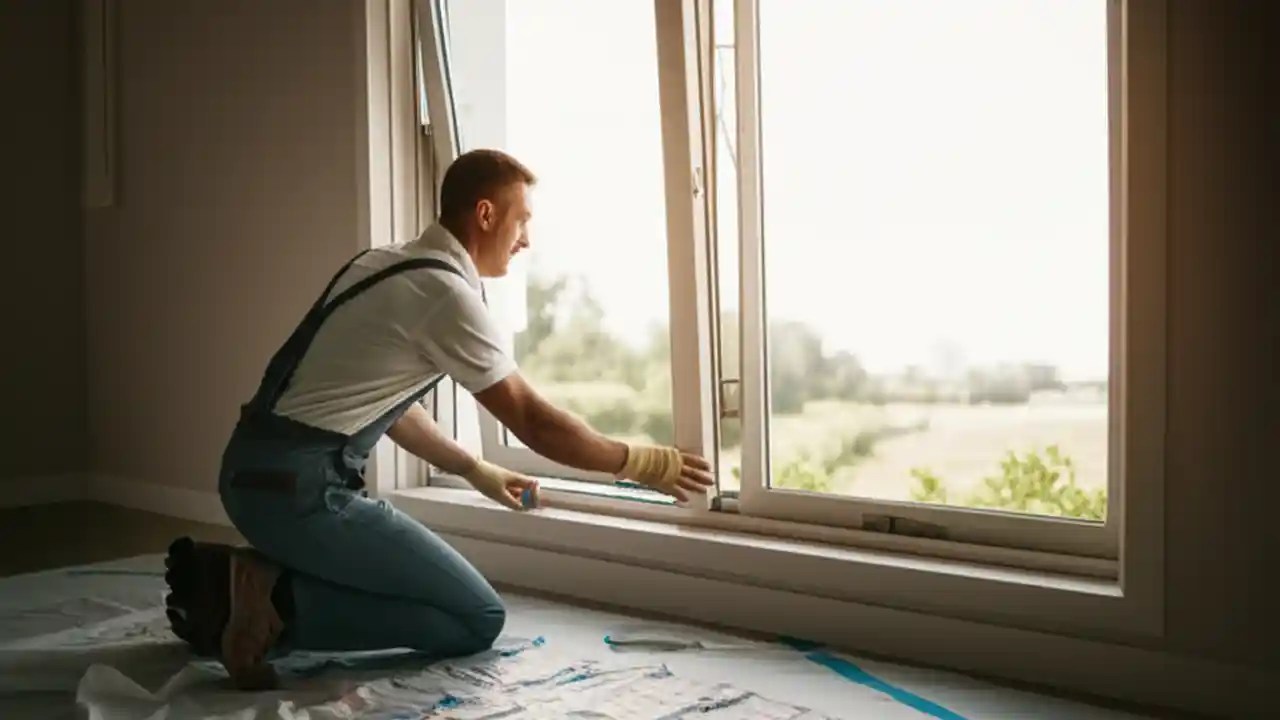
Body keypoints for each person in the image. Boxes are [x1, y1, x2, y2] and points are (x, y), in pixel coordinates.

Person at [163, 149, 715, 690]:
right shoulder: (443, 294)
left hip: (252, 477)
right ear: (485, 214)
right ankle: (270, 603)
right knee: (475, 618)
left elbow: (391, 409)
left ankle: (240, 592)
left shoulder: (382, 263)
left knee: (422, 593)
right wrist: (644, 463)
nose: (526, 240)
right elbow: (532, 421)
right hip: (298, 495)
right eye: (522, 221)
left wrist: (476, 470)